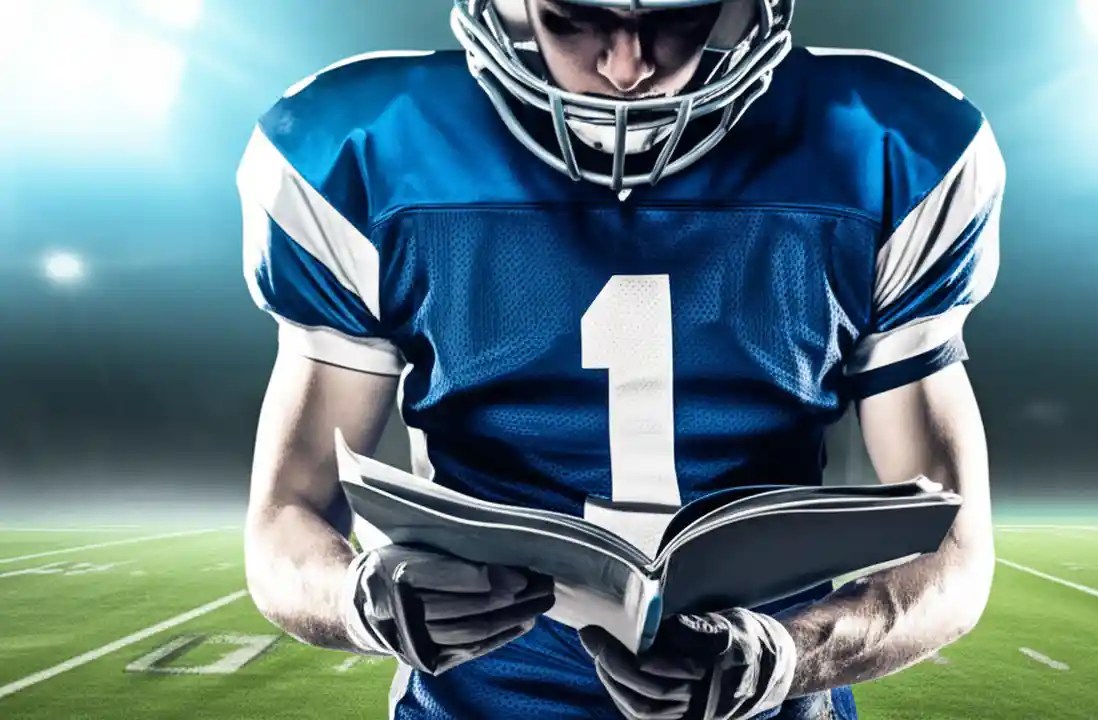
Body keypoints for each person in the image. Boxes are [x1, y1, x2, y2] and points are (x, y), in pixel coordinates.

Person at [237, 1, 1003, 718]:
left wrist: (786, 658)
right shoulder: (372, 156)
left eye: (675, 17)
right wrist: (359, 599)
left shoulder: (878, 149)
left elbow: (953, 549)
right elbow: (286, 513)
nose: (628, 68)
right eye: (576, 19)